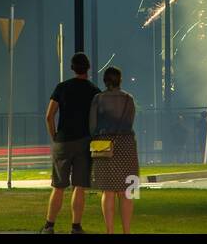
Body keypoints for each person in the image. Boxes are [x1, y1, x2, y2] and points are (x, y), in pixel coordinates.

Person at [41, 52, 100, 234]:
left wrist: (55, 136)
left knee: (58, 186)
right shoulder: (93, 91)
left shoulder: (62, 88)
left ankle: (49, 226)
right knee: (79, 186)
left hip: (63, 141)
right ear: (88, 68)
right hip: (84, 141)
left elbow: (49, 115)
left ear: (72, 68)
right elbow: (97, 119)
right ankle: (76, 226)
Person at [89, 66, 139, 234]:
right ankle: (127, 231)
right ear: (120, 80)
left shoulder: (98, 99)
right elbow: (130, 121)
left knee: (108, 190)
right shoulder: (128, 99)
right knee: (127, 191)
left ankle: (109, 231)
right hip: (127, 146)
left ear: (105, 81)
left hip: (104, 147)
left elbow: (92, 126)